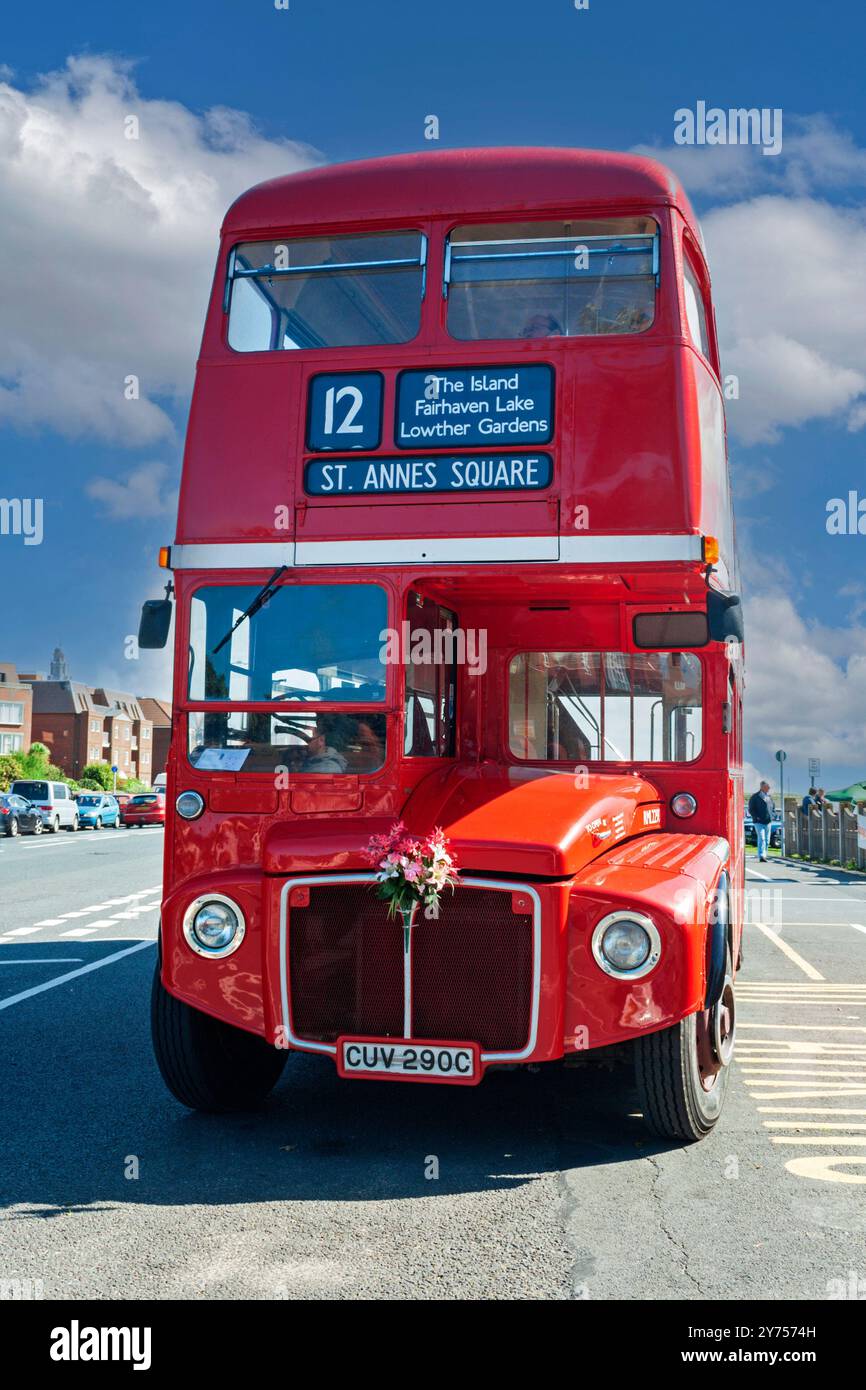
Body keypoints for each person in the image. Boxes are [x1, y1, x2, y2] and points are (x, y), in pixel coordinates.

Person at [748, 780, 775, 862]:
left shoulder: (769, 797)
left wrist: (772, 816)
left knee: (767, 840)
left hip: (768, 822)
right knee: (762, 838)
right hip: (758, 822)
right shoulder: (755, 797)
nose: (769, 788)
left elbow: (773, 807)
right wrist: (756, 817)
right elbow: (751, 809)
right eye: (768, 787)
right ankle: (761, 855)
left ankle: (764, 855)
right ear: (762, 787)